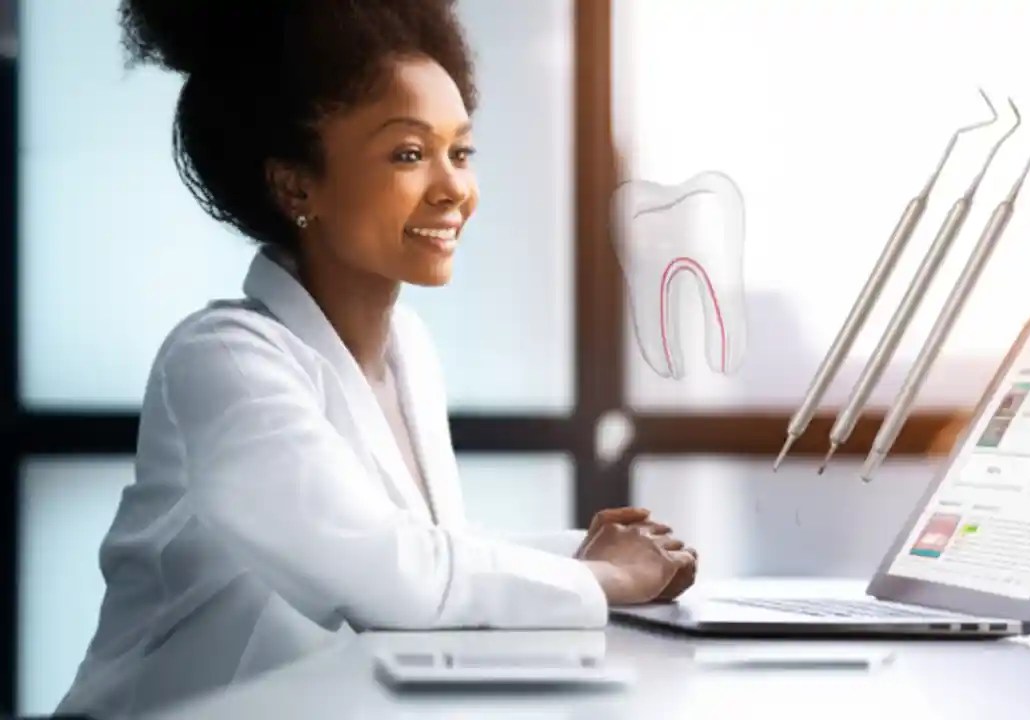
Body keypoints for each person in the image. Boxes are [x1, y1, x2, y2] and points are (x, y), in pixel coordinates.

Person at [56, 1, 697, 717]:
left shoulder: (408, 352)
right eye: (409, 154)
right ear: (295, 185)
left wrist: (594, 551)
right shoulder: (221, 363)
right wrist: (606, 579)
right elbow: (388, 578)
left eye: (462, 151)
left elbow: (435, 549)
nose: (454, 187)